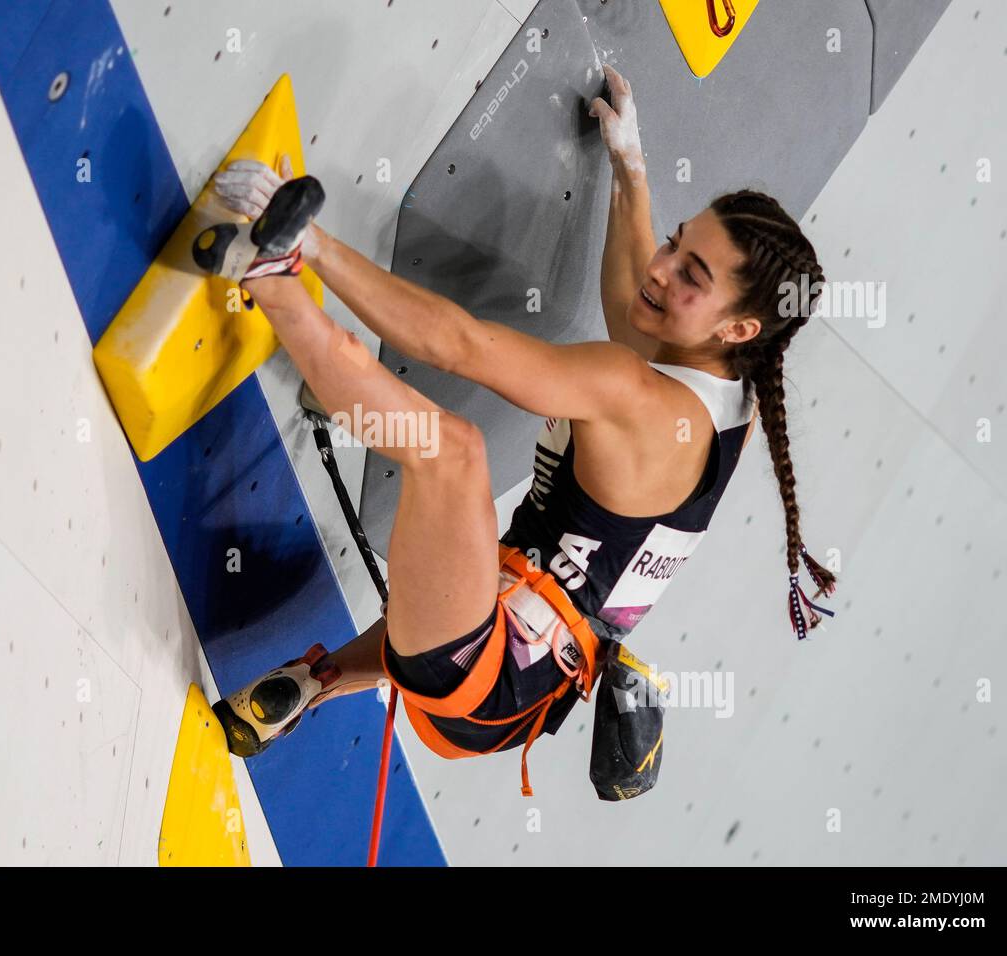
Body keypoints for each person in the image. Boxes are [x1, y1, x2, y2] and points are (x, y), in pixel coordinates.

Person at [196, 65, 836, 796]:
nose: (661, 270)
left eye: (691, 273)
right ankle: (311, 683)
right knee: (484, 571)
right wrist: (628, 162)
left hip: (484, 683)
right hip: (521, 655)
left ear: (739, 325)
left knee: (455, 455)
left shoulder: (640, 397)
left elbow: (458, 345)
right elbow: (634, 297)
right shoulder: (735, 391)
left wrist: (314, 247)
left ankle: (272, 278)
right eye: (674, 243)